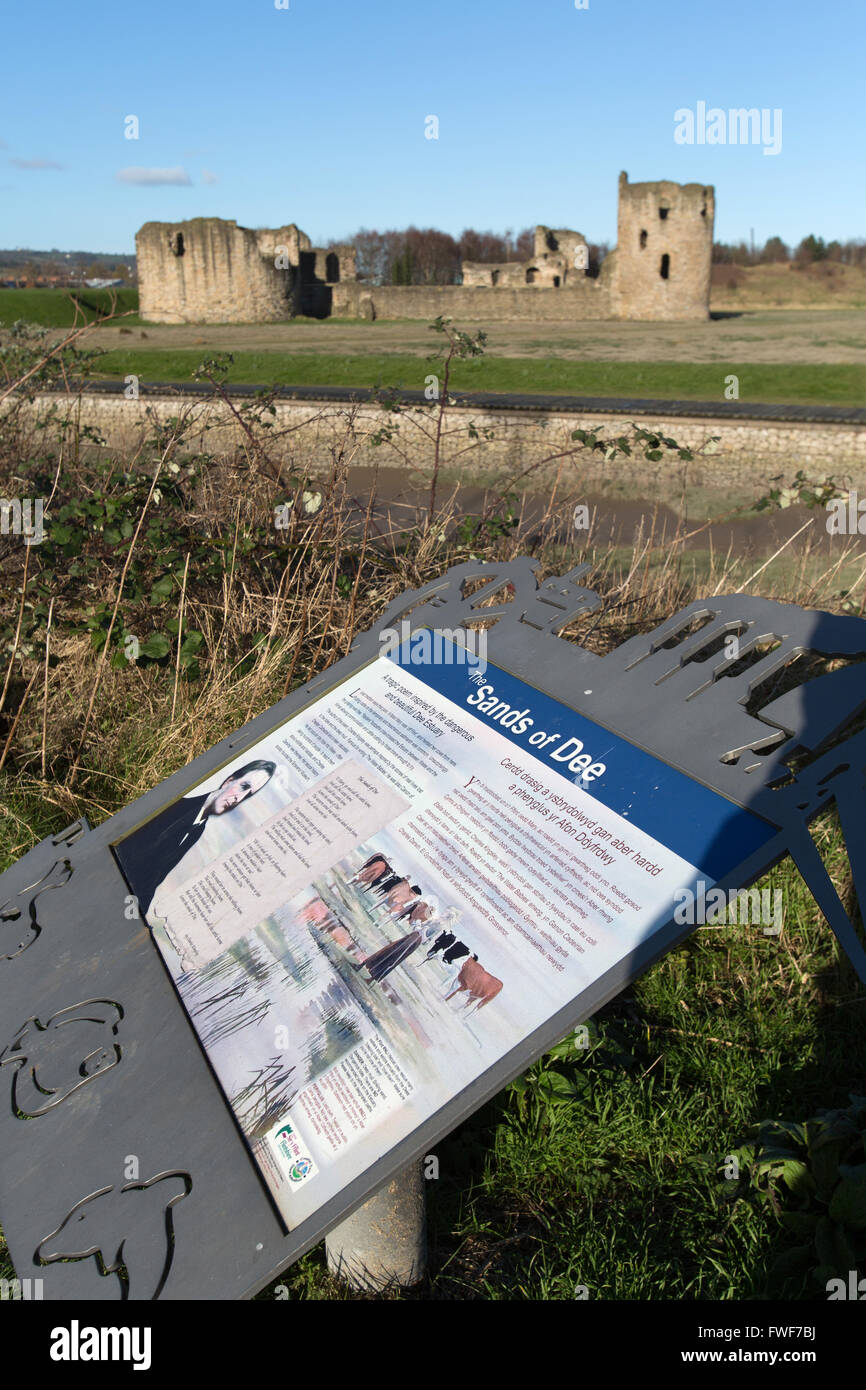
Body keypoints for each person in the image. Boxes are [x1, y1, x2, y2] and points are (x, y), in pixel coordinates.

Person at [116, 759, 276, 917]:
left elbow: (155, 877)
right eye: (244, 786)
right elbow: (128, 852)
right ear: (229, 781)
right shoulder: (179, 804)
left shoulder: (198, 829)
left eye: (248, 795)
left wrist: (136, 917)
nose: (238, 799)